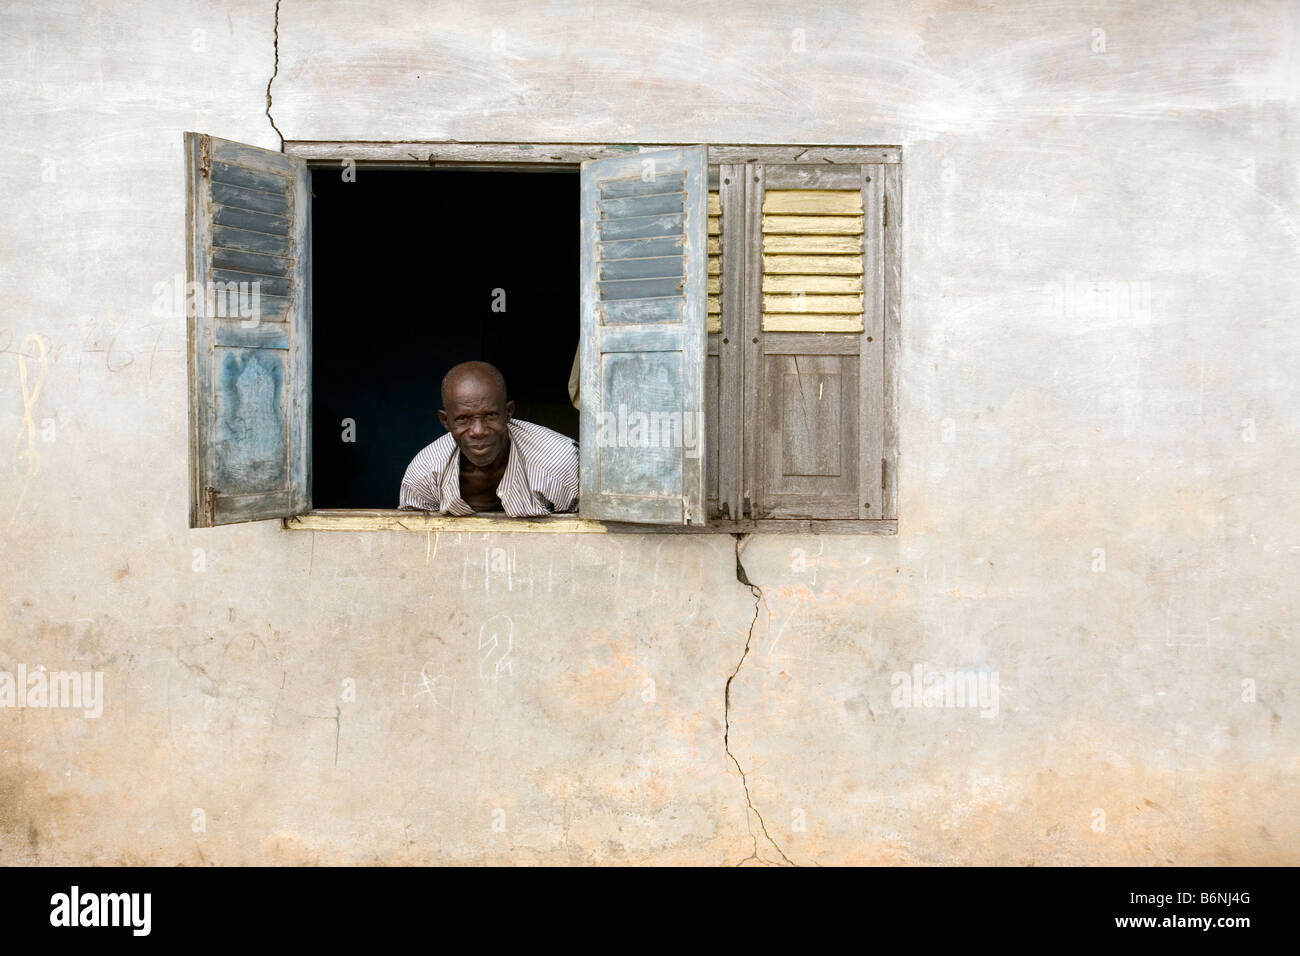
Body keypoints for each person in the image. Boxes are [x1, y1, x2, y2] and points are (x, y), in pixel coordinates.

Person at [398, 361, 579, 516]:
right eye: (463, 419)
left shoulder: (559, 463)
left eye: (490, 416)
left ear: (508, 413)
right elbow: (416, 542)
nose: (478, 431)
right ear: (446, 421)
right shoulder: (425, 473)